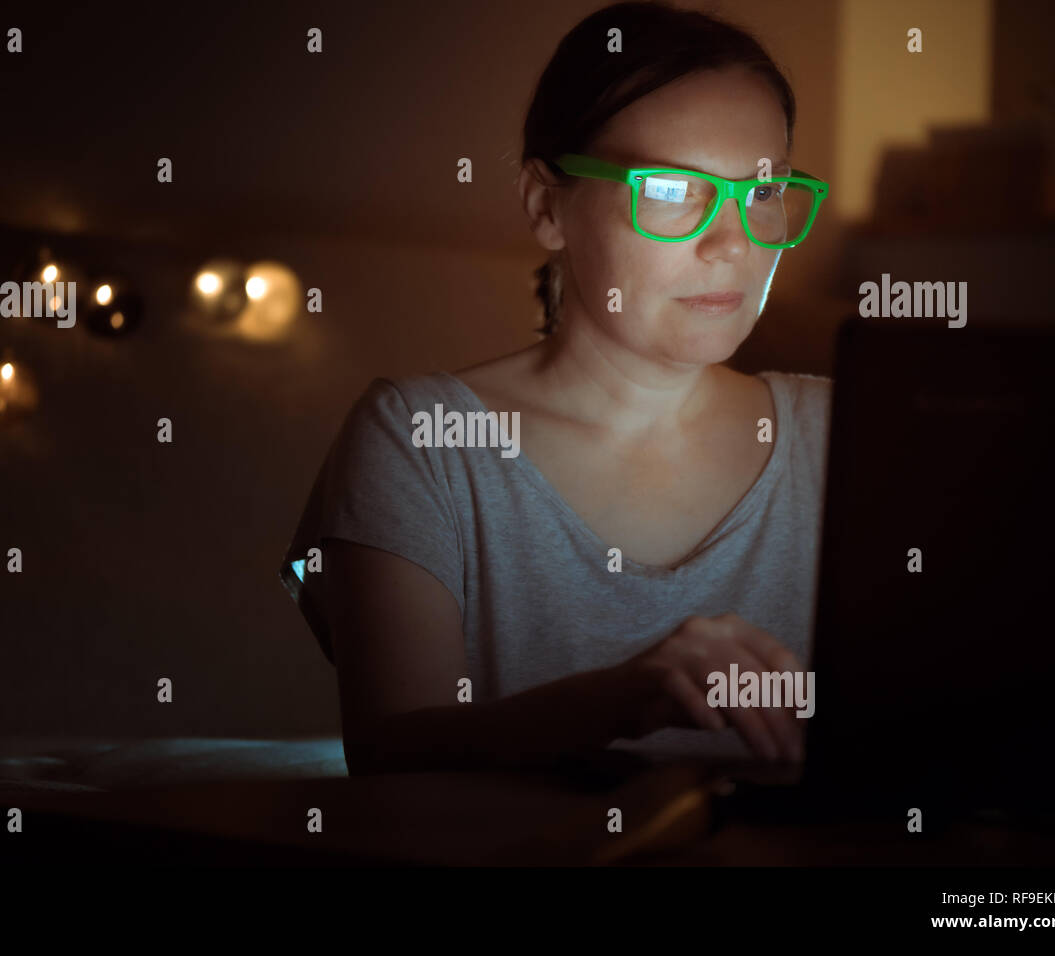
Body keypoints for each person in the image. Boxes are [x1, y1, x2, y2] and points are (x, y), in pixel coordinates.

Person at [279, 2, 833, 775]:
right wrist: (612, 702)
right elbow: (390, 763)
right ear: (547, 205)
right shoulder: (421, 441)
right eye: (673, 189)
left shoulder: (842, 433)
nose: (733, 242)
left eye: (763, 192)